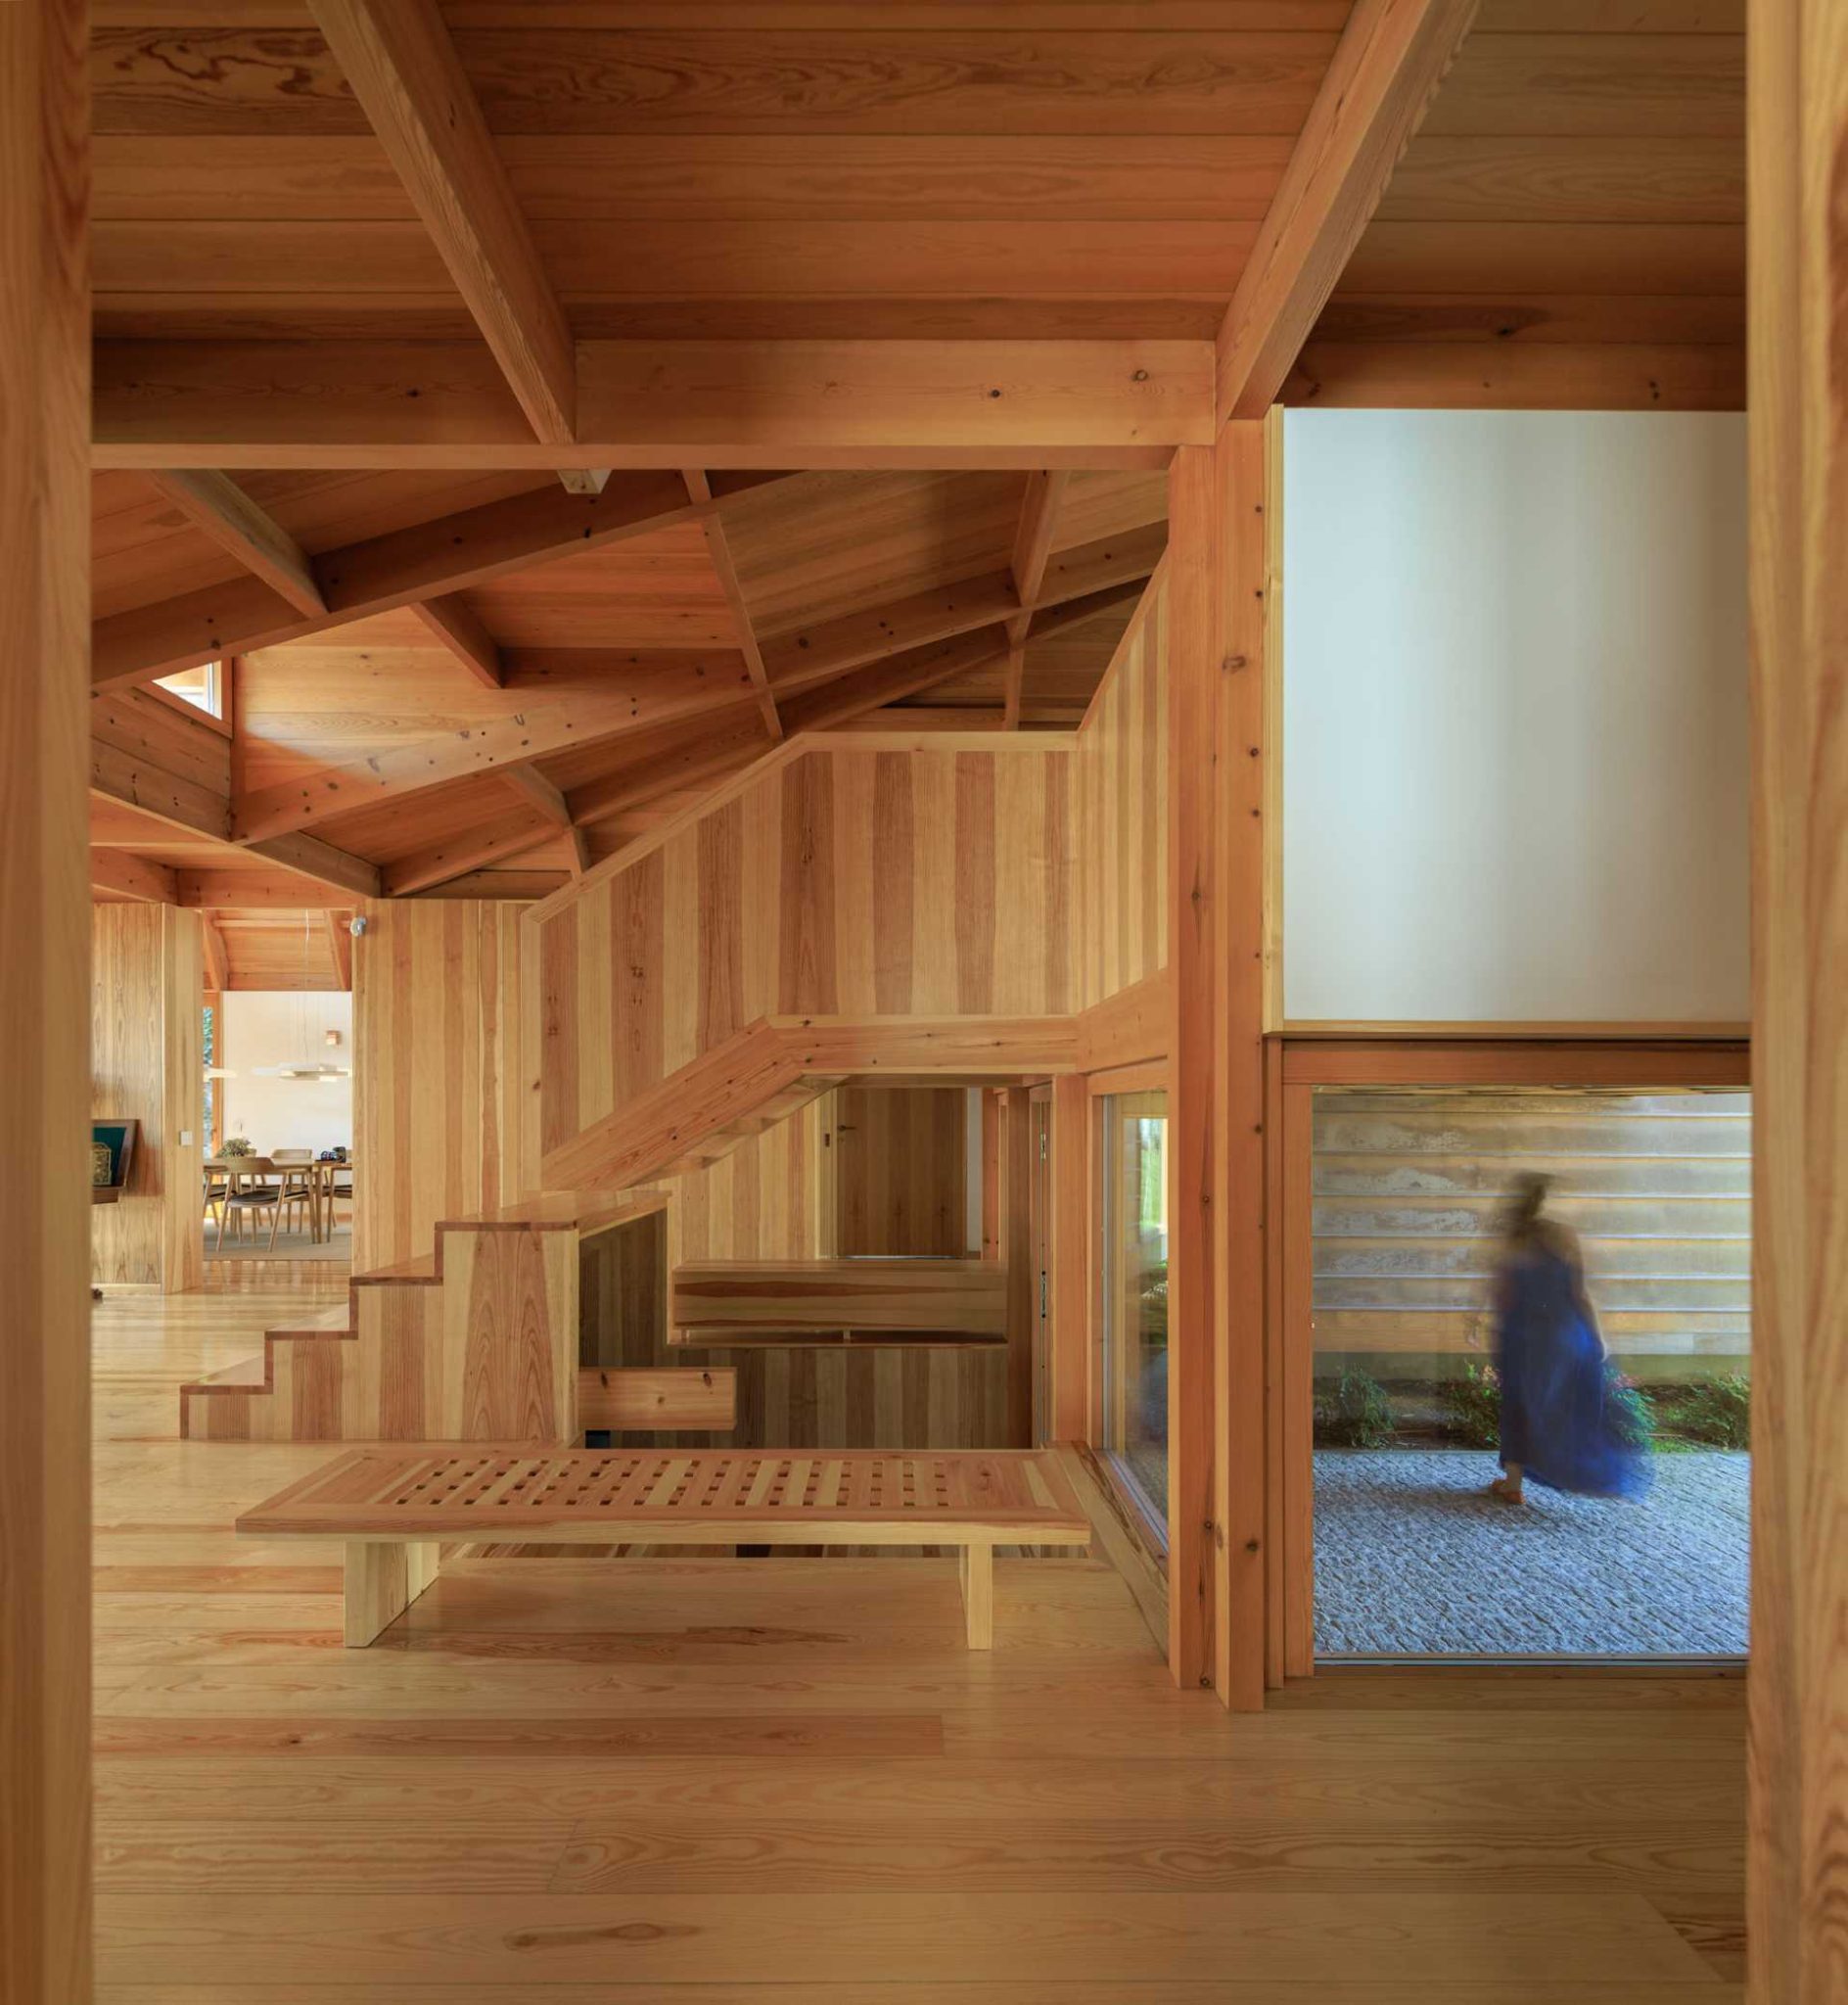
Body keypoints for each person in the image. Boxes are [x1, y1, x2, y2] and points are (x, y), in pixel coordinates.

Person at [1488, 1172, 1648, 1504]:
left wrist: (1492, 1331)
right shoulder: (1562, 1236)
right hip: (1564, 1334)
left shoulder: (1512, 1240)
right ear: (1544, 1200)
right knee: (1571, 1404)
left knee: (1519, 1405)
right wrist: (1599, 1336)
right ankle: (1584, 1472)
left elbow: (1502, 1295)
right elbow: (1581, 1293)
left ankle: (1513, 1484)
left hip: (1523, 1337)